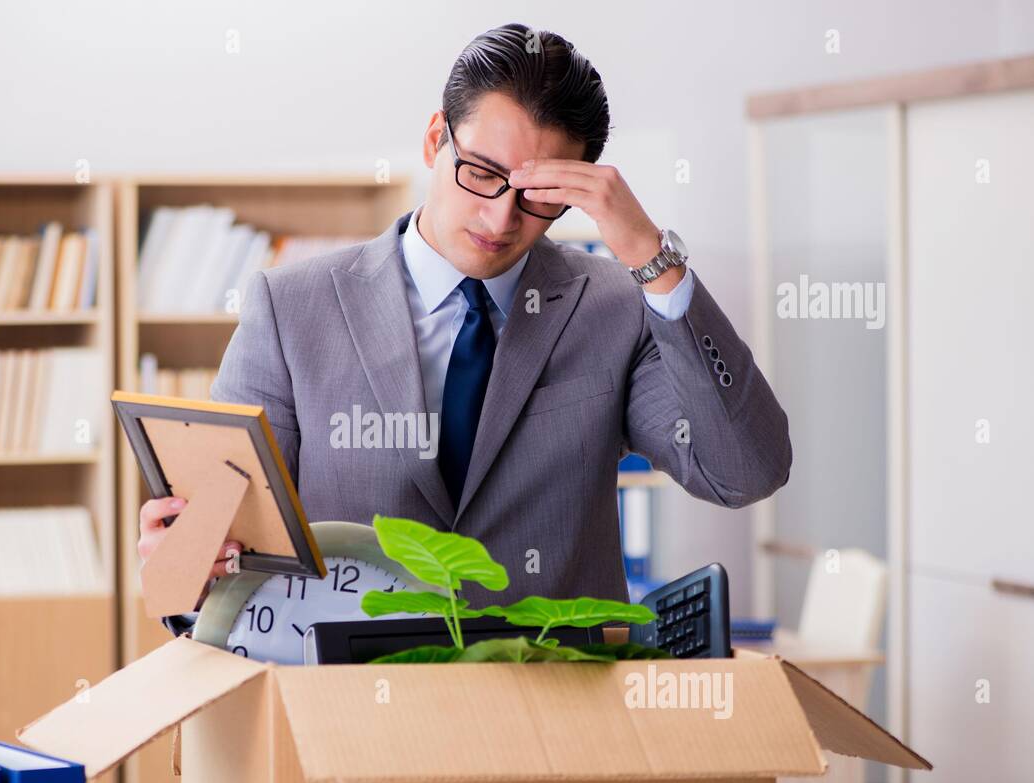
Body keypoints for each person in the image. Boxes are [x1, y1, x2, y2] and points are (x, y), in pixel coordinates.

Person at [139, 22, 791, 623]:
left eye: (540, 197)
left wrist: (656, 261)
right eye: (481, 173)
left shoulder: (614, 307)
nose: (502, 219)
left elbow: (744, 472)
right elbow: (210, 550)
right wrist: (185, 561)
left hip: (556, 720)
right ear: (434, 140)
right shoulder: (292, 307)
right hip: (345, 716)